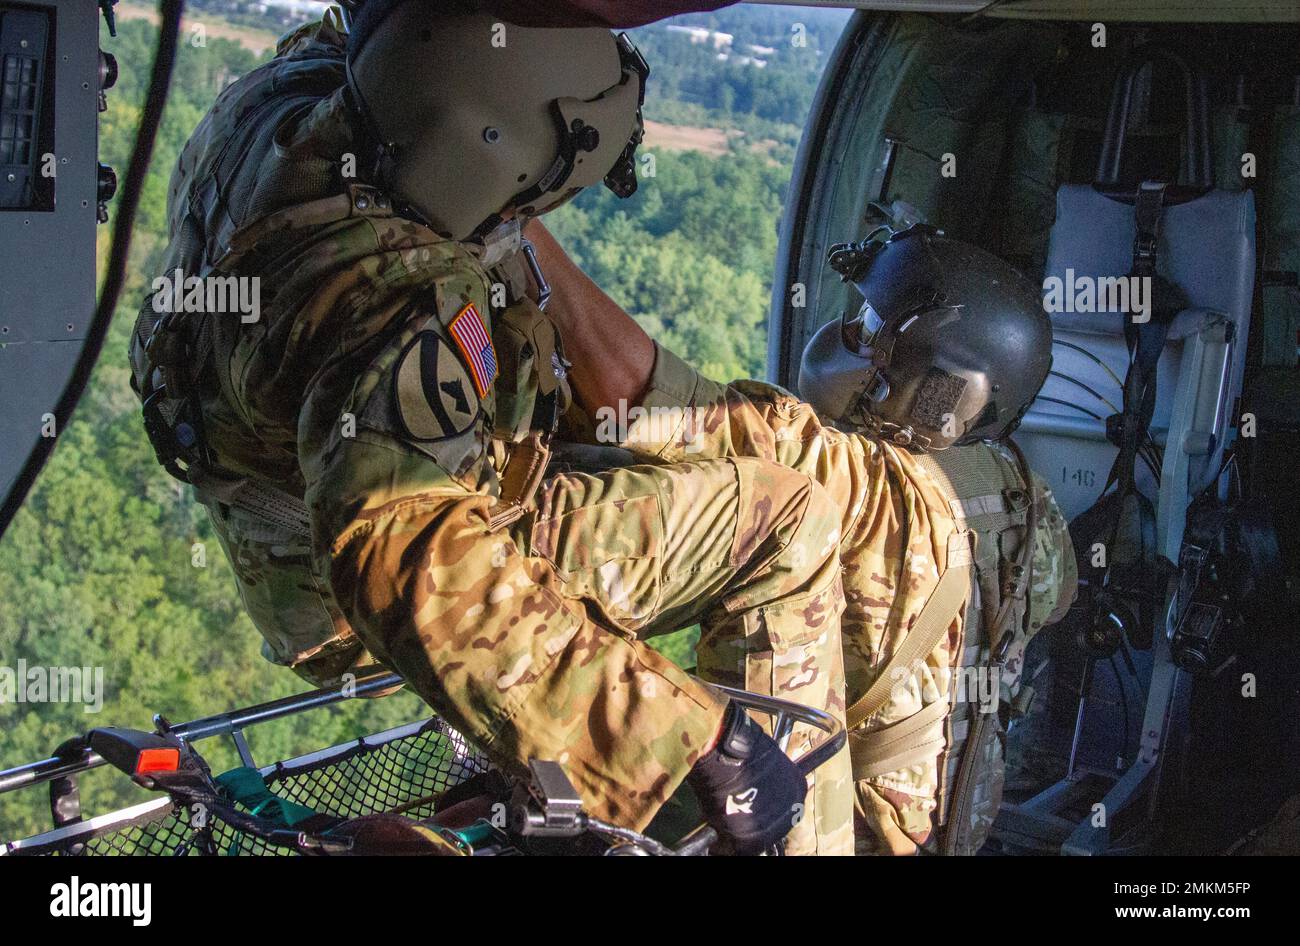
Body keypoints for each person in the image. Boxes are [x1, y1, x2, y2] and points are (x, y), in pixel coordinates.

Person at [127, 2, 853, 854]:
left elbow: (398, 44)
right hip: (368, 598)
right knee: (785, 520)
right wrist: (683, 740)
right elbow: (407, 553)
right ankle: (775, 832)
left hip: (295, 532)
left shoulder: (284, 101)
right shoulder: (400, 300)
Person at [527, 221, 1079, 854]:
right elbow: (1057, 599)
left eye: (870, 329)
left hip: (843, 832)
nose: (849, 338)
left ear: (938, 388)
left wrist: (525, 234)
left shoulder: (860, 482)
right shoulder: (1030, 500)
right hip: (952, 832)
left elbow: (646, 400)